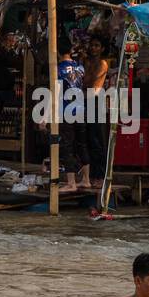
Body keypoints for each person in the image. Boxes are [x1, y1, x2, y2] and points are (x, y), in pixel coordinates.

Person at [56, 45, 89, 191]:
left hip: (66, 110)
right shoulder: (80, 68)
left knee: (67, 146)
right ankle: (86, 180)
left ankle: (71, 183)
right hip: (81, 109)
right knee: (82, 144)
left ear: (56, 52)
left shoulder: (57, 69)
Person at [83, 34, 111, 183]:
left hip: (96, 101)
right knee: (87, 138)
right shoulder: (86, 62)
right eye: (92, 45)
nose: (93, 48)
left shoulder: (102, 63)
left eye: (96, 46)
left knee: (97, 139)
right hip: (86, 100)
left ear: (102, 49)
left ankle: (100, 175)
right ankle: (91, 174)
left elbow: (91, 81)